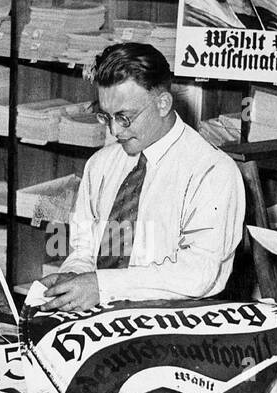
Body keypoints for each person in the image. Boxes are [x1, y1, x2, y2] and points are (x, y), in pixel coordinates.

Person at [40, 43, 245, 311]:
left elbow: (197, 273)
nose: (114, 130)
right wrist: (75, 276)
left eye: (124, 117)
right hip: (102, 313)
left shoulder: (212, 171)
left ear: (162, 104)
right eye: (106, 116)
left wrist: (102, 286)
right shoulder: (101, 165)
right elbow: (84, 247)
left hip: (176, 322)